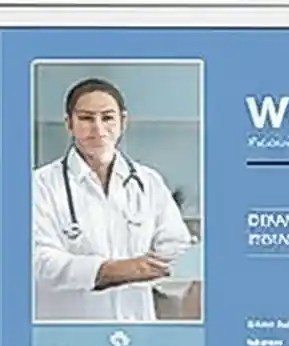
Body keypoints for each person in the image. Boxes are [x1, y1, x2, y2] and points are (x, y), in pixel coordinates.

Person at [32, 77, 194, 322]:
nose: (98, 129)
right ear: (69, 124)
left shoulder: (148, 181)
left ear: (123, 122)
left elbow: (176, 247)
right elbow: (40, 261)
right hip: (68, 334)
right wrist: (115, 270)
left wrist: (154, 267)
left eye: (107, 118)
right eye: (86, 118)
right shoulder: (40, 184)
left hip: (135, 328)